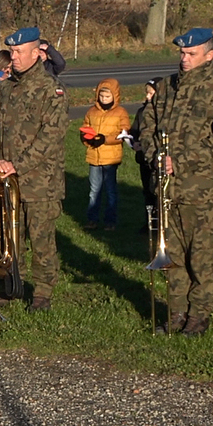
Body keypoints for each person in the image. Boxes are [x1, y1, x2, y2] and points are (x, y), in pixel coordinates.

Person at [0, 26, 68, 312]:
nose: (13, 57)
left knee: (41, 239)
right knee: (9, 237)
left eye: (18, 52)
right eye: (12, 51)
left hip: (40, 181)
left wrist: (18, 165)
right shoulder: (4, 88)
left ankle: (42, 292)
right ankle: (11, 284)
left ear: (36, 53)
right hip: (7, 179)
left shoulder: (50, 90)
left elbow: (51, 136)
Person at [140, 28, 213, 336]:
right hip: (167, 189)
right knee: (172, 254)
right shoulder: (167, 87)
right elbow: (147, 123)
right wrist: (156, 155)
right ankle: (177, 311)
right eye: (181, 54)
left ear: (209, 55)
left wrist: (180, 161)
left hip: (202, 188)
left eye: (191, 54)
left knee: (202, 256)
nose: (184, 59)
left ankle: (199, 313)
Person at [80, 78, 130, 231]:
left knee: (110, 190)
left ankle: (110, 221)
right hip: (94, 156)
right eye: (101, 96)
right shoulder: (92, 111)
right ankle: (92, 219)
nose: (104, 100)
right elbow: (85, 127)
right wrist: (87, 139)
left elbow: (124, 133)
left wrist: (105, 139)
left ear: (115, 96)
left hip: (111, 157)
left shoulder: (120, 112)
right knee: (94, 190)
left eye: (107, 97)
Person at [130, 77, 163, 216]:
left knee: (157, 191)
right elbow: (135, 130)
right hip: (143, 158)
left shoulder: (163, 113)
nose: (147, 96)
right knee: (147, 191)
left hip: (156, 158)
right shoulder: (141, 112)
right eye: (147, 93)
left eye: (151, 93)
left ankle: (159, 219)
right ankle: (148, 220)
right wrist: (135, 142)